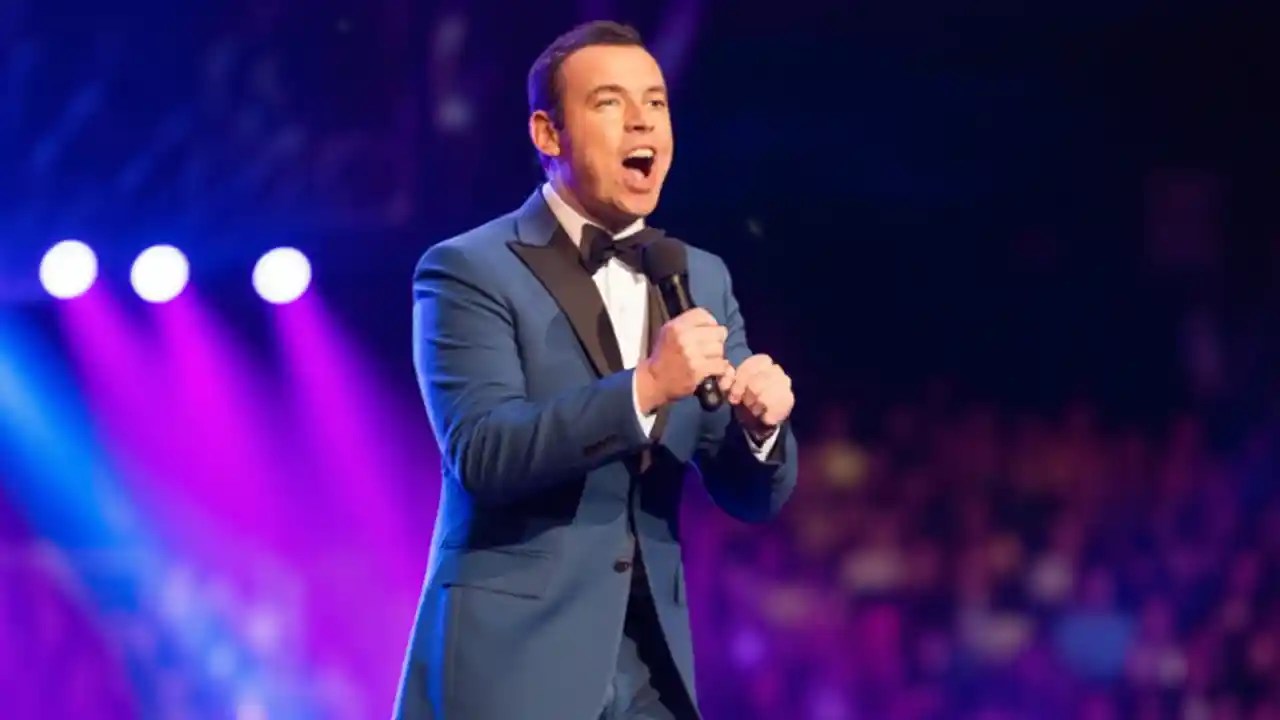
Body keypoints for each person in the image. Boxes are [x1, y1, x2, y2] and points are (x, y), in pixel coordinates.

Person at [393, 20, 799, 720]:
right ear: (548, 135)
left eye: (657, 101)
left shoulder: (700, 275)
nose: (643, 119)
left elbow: (750, 494)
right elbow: (483, 453)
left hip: (651, 673)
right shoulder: (469, 268)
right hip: (512, 668)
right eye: (610, 102)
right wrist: (645, 388)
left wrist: (761, 432)